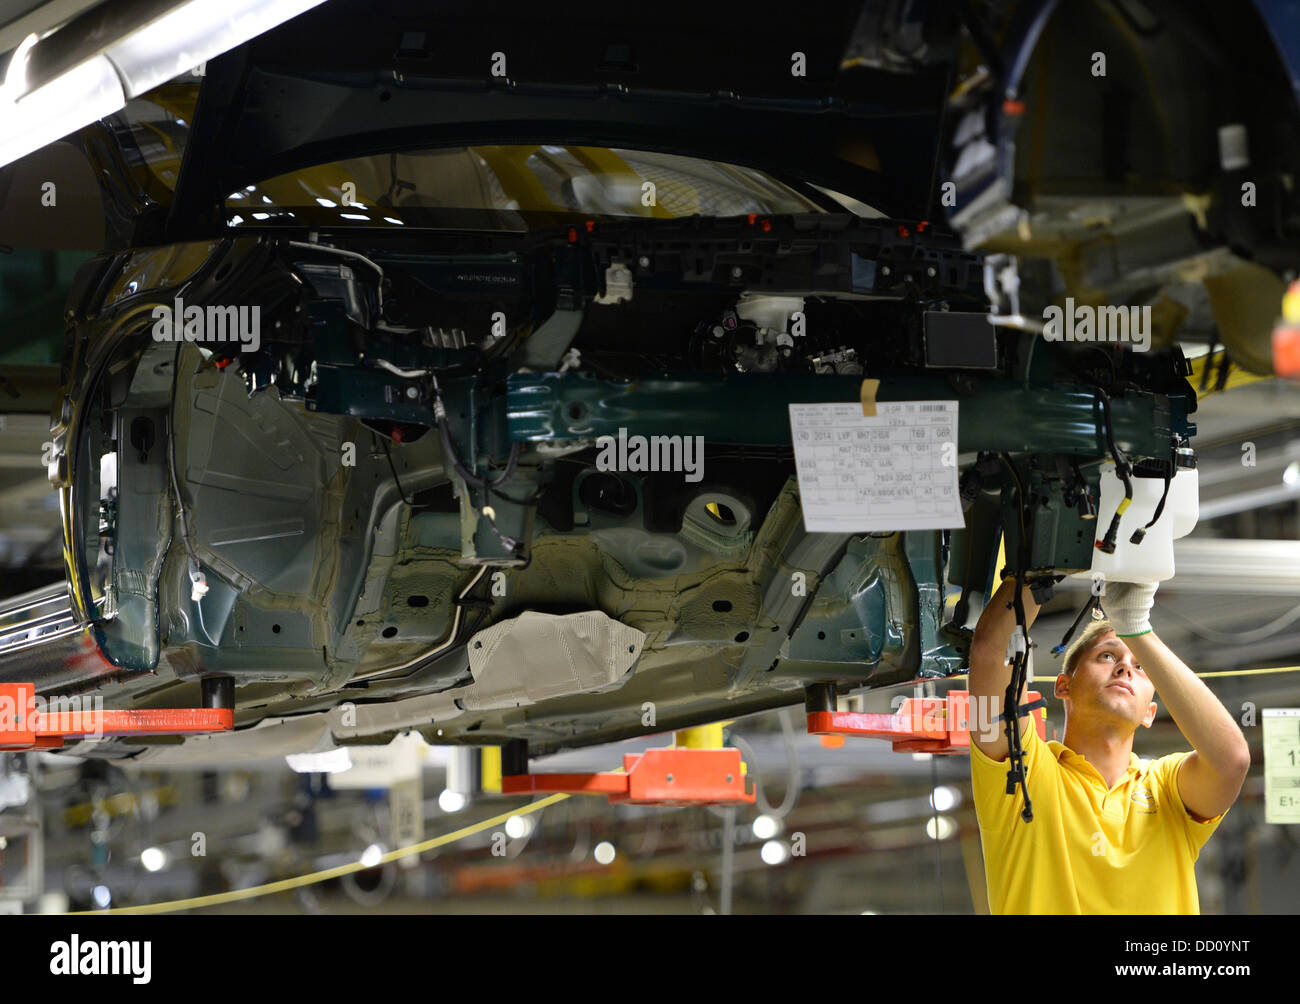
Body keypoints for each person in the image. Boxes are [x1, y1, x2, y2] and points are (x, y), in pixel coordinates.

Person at [967, 575, 1251, 914]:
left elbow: (1232, 760)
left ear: (1150, 712)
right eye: (1106, 656)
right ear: (1063, 686)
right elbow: (988, 652)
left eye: (1140, 667)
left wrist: (1136, 626)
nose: (1124, 669)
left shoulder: (1166, 789)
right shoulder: (1022, 775)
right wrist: (1040, 566)